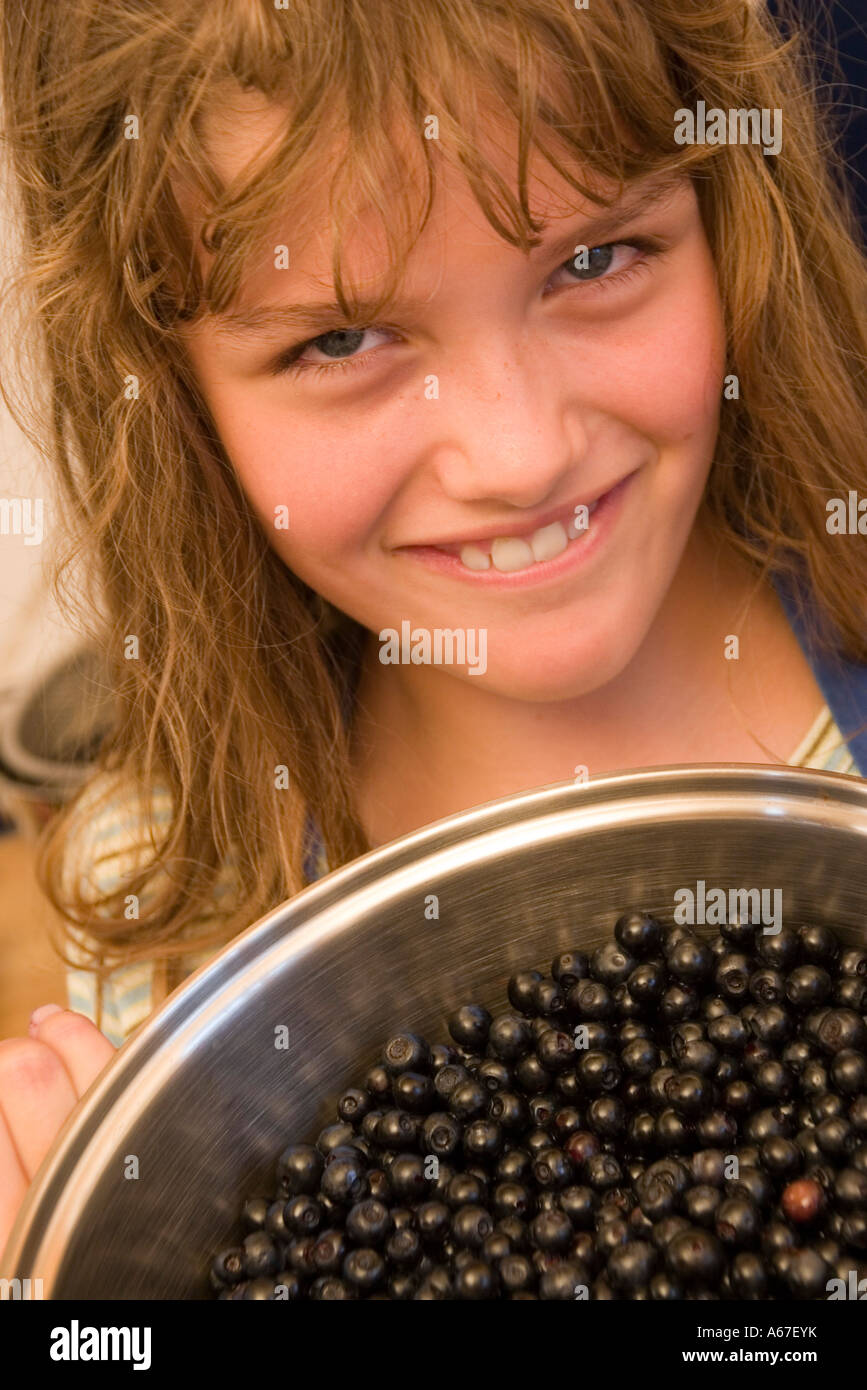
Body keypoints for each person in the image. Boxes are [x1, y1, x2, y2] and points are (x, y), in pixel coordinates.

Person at [1, 0, 866, 1259]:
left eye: (595, 260)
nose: (517, 455)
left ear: (736, 217)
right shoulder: (176, 924)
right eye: (342, 338)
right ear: (176, 402)